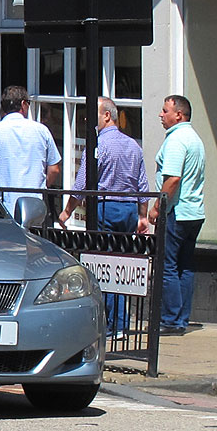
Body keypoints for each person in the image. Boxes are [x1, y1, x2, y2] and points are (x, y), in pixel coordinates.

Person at [58, 97, 148, 340]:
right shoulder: (133, 146)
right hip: (128, 209)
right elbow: (142, 184)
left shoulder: (97, 145)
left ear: (107, 115)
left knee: (103, 267)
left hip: (106, 208)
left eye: (92, 114)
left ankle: (113, 325)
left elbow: (82, 184)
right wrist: (142, 216)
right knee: (121, 265)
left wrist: (67, 211)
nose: (88, 119)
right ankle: (121, 322)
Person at [148, 94, 207, 335]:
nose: (161, 115)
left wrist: (157, 207)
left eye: (165, 111)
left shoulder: (176, 140)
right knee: (185, 265)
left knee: (168, 265)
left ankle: (171, 320)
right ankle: (180, 318)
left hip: (177, 211)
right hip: (194, 211)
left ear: (178, 115)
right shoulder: (194, 138)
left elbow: (172, 178)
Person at [0, 85, 61, 216]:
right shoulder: (41, 131)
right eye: (28, 103)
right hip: (34, 205)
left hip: (2, 205)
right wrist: (41, 188)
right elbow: (54, 169)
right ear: (23, 104)